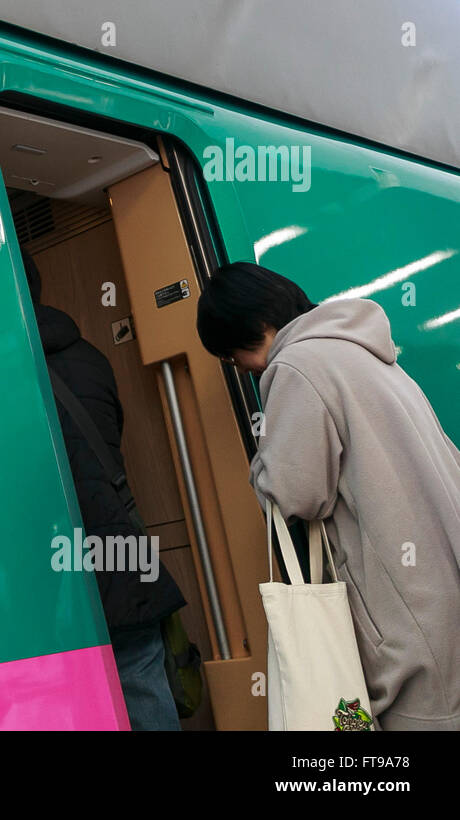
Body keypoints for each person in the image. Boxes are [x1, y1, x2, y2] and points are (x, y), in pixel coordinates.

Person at [197, 261, 460, 730]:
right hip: (440, 583)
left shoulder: (297, 366)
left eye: (236, 356)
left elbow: (293, 492)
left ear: (256, 327)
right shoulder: (368, 354)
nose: (244, 369)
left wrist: (261, 464)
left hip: (406, 609)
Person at [23, 249, 187, 730]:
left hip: (54, 564)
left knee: (73, 697)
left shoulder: (1, 371)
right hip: (119, 544)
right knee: (140, 676)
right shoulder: (89, 357)